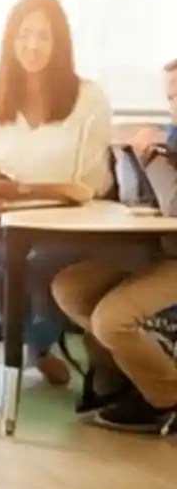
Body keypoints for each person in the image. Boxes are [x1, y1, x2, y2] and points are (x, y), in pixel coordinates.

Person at [0, 0, 122, 386]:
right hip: (9, 228)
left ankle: (38, 346)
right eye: (24, 35)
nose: (33, 45)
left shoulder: (89, 98)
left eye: (44, 36)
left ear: (60, 44)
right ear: (10, 41)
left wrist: (26, 189)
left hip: (72, 230)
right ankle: (38, 348)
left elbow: (91, 185)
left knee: (38, 275)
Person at [51, 58, 177, 432]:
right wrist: (130, 157)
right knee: (70, 287)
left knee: (113, 320)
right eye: (172, 96)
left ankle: (166, 398)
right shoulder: (170, 136)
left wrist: (153, 159)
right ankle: (131, 379)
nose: (176, 104)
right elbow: (144, 203)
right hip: (159, 252)